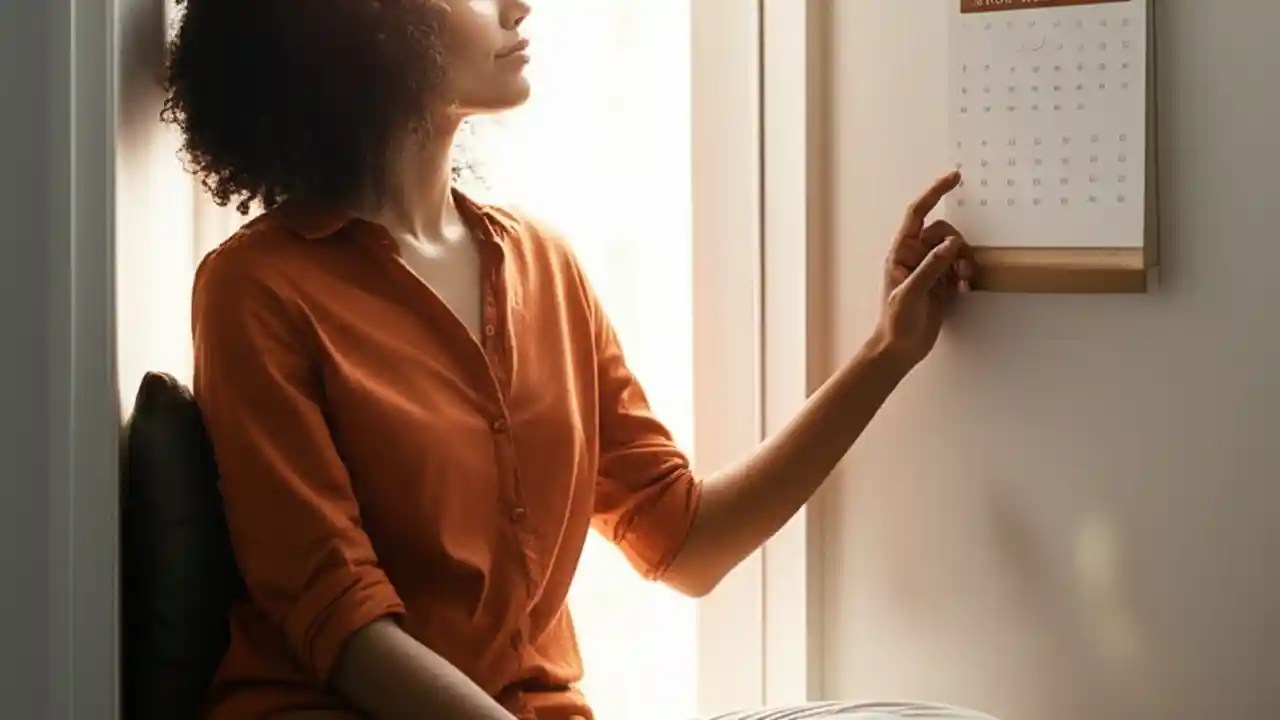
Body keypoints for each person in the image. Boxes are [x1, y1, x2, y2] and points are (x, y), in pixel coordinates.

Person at [164, 1, 985, 719]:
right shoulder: (256, 288)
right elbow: (340, 621)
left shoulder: (542, 265)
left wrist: (889, 351)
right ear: (363, 20)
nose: (518, 7)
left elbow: (688, 542)